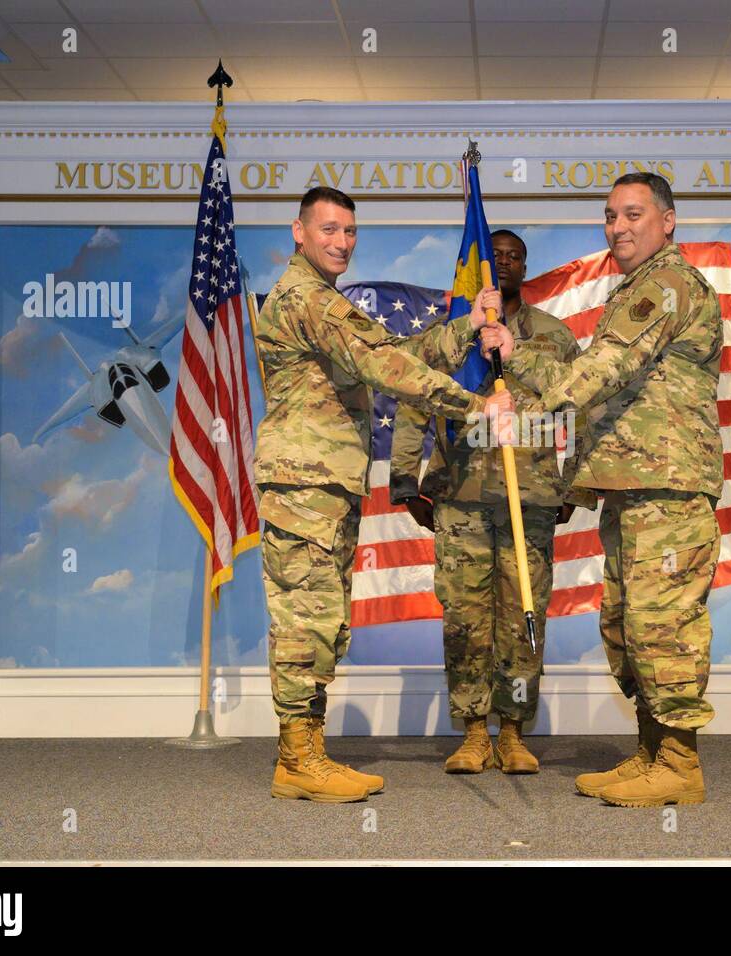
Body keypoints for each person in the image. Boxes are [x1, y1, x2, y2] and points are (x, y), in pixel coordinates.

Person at [254, 186, 514, 803]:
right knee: (305, 621)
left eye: (349, 231)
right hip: (304, 484)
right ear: (298, 231)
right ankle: (297, 760)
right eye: (328, 230)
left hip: (322, 483)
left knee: (324, 619)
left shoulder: (327, 302)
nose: (341, 242)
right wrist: (478, 407)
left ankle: (307, 752)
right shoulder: (304, 298)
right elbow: (388, 369)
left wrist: (470, 326)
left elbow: (394, 353)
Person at [481, 172, 722, 807]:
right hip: (631, 487)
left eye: (633, 215)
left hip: (665, 488)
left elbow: (603, 370)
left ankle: (679, 762)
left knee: (662, 623)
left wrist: (529, 398)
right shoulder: (633, 291)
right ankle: (651, 751)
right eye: (610, 216)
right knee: (627, 623)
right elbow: (593, 367)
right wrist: (516, 349)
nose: (618, 227)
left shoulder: (668, 284)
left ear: (667, 221)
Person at [390, 229, 590, 775]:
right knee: (465, 618)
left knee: (525, 612)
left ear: (526, 266)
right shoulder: (453, 336)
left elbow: (578, 404)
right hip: (462, 494)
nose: (504, 262)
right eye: (495, 254)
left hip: (531, 495)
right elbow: (414, 400)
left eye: (514, 255)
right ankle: (475, 731)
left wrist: (573, 480)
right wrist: (406, 478)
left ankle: (515, 732)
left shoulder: (552, 336)